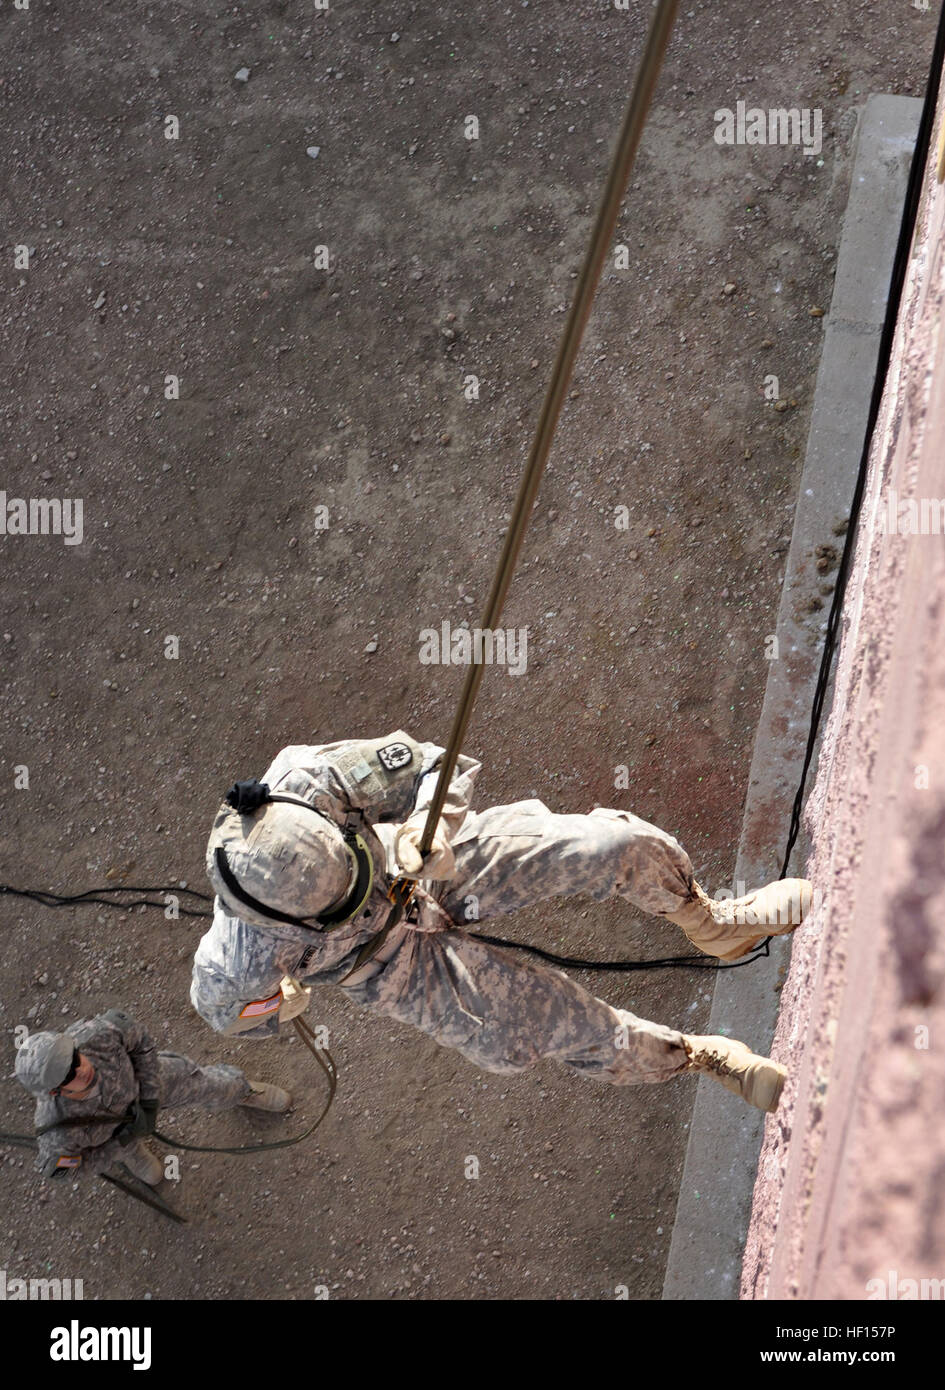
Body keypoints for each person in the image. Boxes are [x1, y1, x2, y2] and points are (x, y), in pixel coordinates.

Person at [191, 731, 812, 1113]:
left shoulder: (306, 780)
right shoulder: (236, 956)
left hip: (427, 863)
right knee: (526, 1035)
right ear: (287, 925)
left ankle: (715, 922)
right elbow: (221, 1013)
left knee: (603, 848)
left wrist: (424, 827)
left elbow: (438, 763)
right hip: (386, 967)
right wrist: (277, 1004)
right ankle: (701, 1057)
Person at [15, 1008, 291, 1186]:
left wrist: (148, 1099)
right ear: (54, 1092)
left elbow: (142, 1044)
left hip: (150, 1082)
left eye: (75, 1059)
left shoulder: (98, 1034)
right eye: (68, 1076)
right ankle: (132, 1154)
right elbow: (72, 1170)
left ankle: (241, 1091)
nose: (82, 1070)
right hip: (118, 1136)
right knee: (135, 1156)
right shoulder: (57, 1131)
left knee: (208, 1085)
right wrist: (117, 1146)